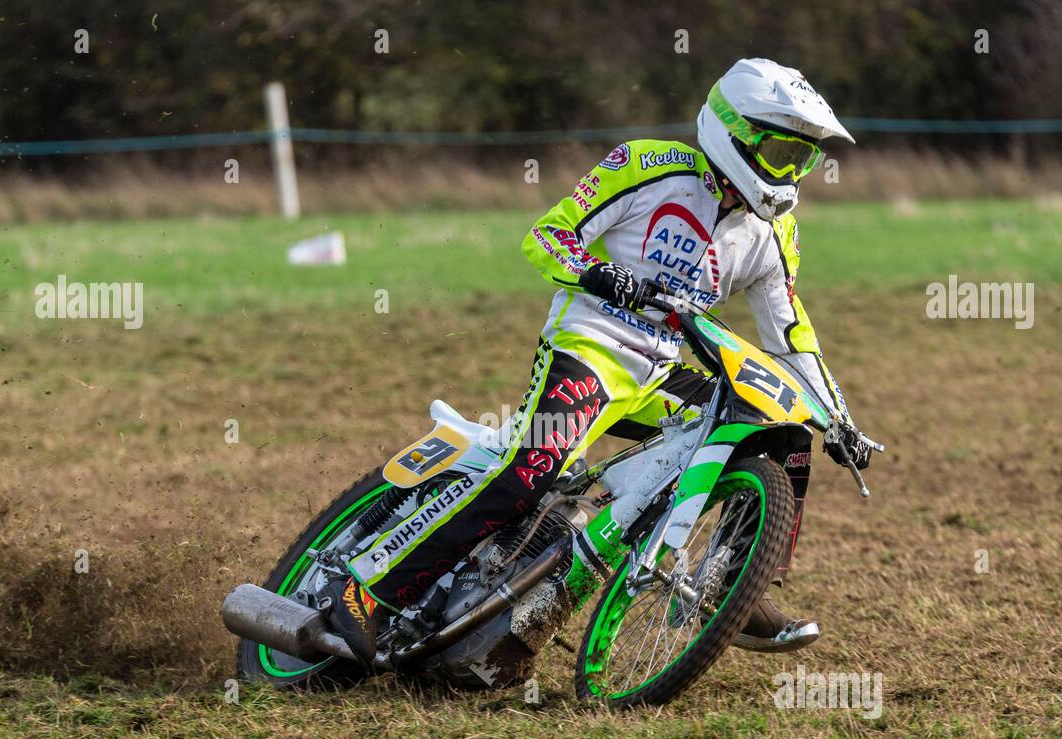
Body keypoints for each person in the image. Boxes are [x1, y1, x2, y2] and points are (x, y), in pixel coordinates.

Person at [324, 57, 873, 663]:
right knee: (528, 473)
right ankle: (368, 586)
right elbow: (547, 236)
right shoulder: (648, 167)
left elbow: (791, 334)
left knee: (777, 429)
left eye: (802, 160)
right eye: (779, 154)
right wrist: (602, 277)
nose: (790, 173)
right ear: (734, 132)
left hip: (659, 372)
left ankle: (733, 588)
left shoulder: (777, 233)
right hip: (589, 347)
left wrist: (839, 418)